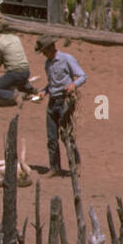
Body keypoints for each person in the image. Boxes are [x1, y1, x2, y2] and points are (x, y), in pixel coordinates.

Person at [37, 36, 86, 177]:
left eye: (44, 51)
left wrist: (73, 85)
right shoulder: (47, 64)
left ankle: (75, 165)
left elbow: (82, 76)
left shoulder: (66, 59)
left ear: (51, 47)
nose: (44, 54)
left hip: (65, 101)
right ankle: (54, 167)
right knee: (51, 137)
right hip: (52, 101)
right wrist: (43, 92)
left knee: (67, 136)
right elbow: (51, 84)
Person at [0, 28, 34, 109]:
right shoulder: (15, 38)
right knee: (11, 78)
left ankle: (14, 96)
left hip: (15, 74)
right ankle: (27, 90)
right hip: (26, 71)